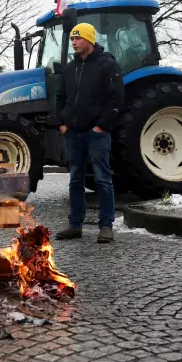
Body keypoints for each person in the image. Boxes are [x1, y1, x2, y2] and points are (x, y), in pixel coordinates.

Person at [54, 23, 124, 243]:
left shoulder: (108, 65)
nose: (73, 42)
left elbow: (116, 98)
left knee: (103, 178)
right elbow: (60, 98)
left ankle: (106, 226)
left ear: (89, 40)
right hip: (73, 133)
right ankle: (75, 225)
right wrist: (61, 123)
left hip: (97, 133)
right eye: (73, 39)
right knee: (75, 180)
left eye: (78, 38)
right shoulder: (69, 68)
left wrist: (101, 126)